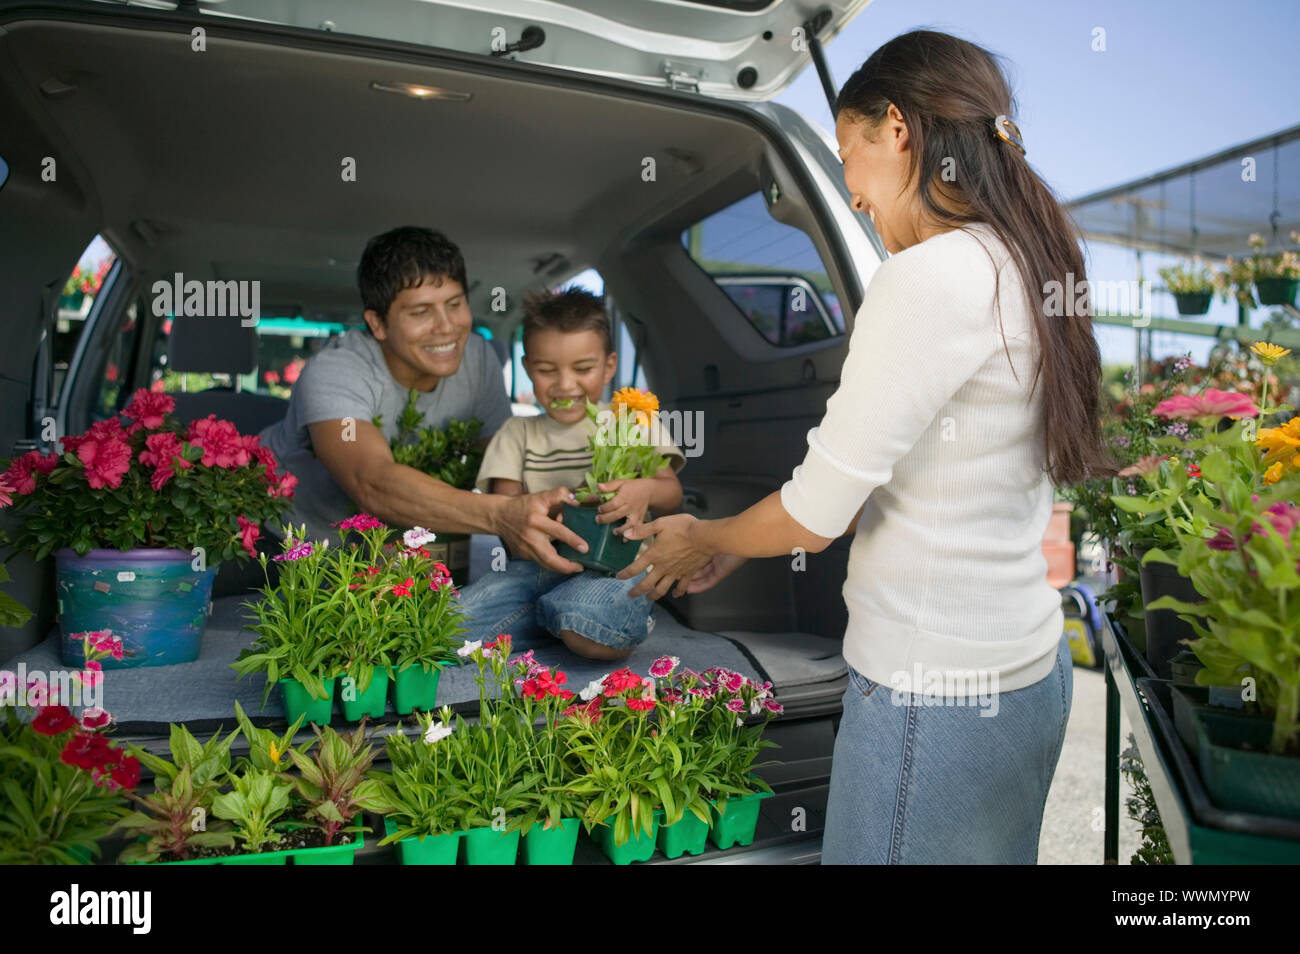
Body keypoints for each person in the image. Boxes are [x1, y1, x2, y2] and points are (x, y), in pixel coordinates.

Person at [616, 30, 1116, 864]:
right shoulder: (1025, 266)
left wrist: (708, 536)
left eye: (846, 150)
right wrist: (738, 547)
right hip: (1029, 670)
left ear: (896, 130)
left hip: (932, 696)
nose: (851, 194)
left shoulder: (927, 279)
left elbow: (816, 513)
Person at [257, 226, 590, 571]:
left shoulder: (477, 360)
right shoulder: (336, 372)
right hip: (288, 548)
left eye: (455, 304)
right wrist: (503, 515)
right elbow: (370, 480)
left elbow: (503, 466)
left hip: (400, 558)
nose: (446, 327)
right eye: (421, 312)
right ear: (378, 324)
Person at [458, 288, 684, 660]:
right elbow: (507, 517)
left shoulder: (633, 421)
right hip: (535, 570)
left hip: (615, 570)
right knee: (451, 627)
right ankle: (557, 615)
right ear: (528, 367)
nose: (565, 385)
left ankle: (565, 617)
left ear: (609, 366)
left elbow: (671, 491)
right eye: (547, 370)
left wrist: (642, 489)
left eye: (583, 369)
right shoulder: (517, 433)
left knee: (589, 625)